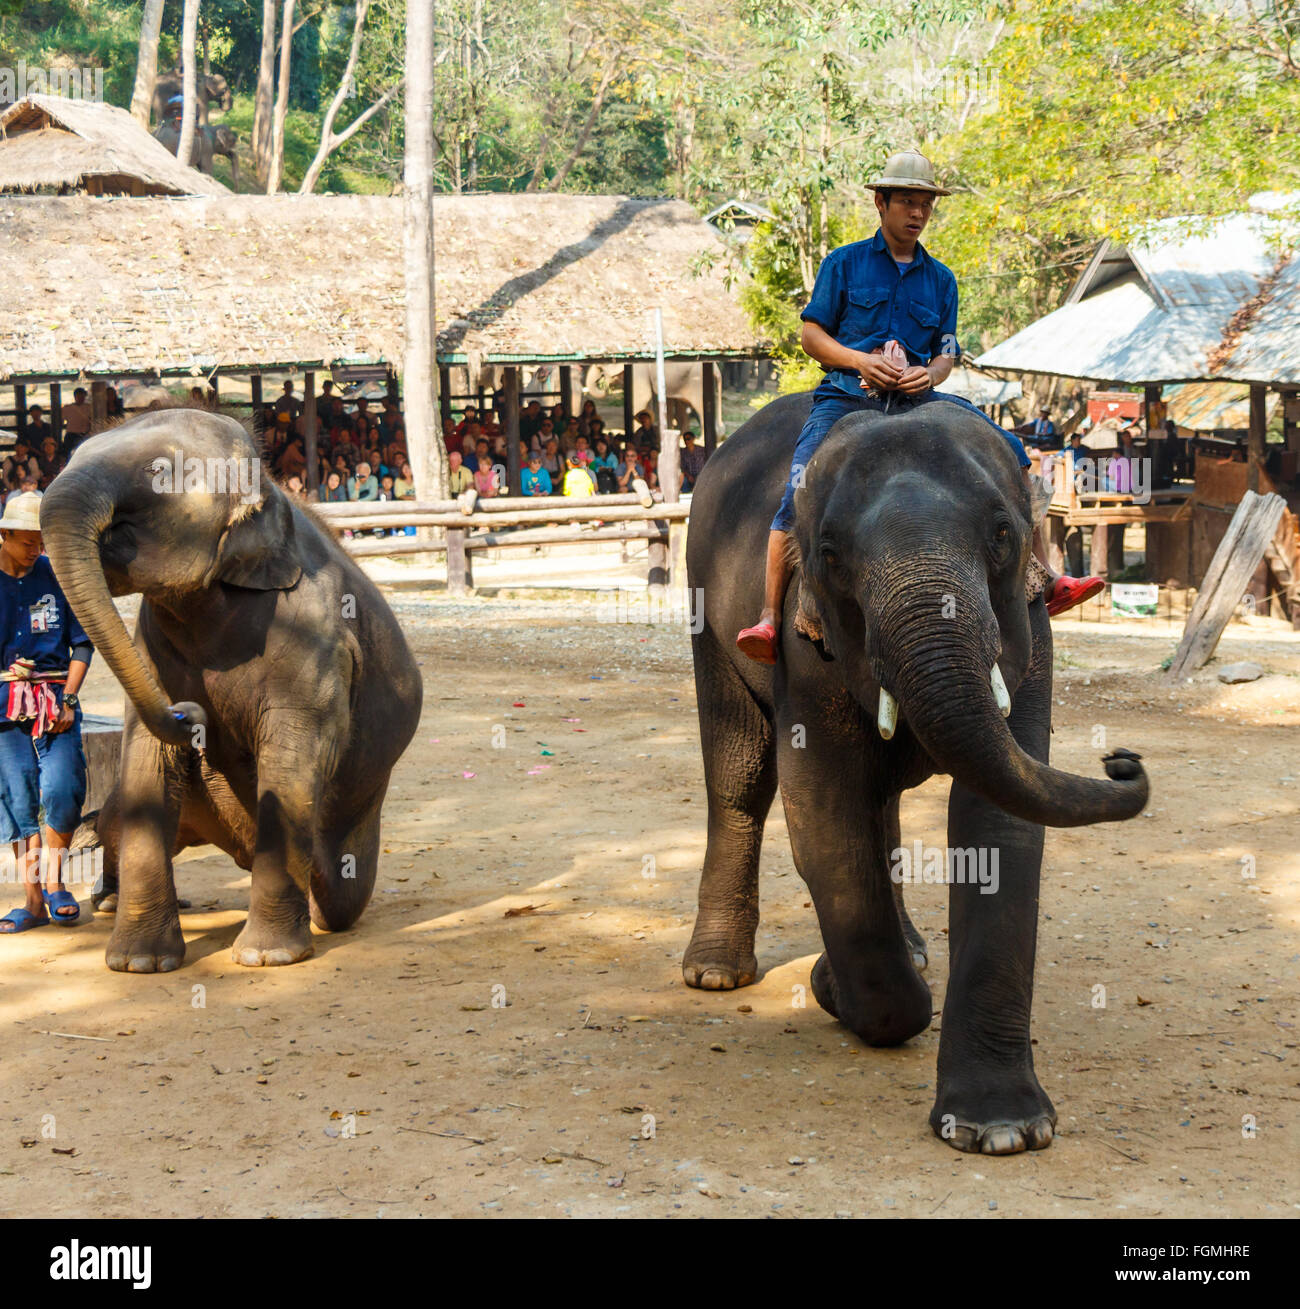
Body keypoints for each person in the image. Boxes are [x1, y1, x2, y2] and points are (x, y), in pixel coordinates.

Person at [736, 149, 1103, 664]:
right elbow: (810, 334)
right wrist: (861, 361)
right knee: (797, 485)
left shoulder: (942, 279)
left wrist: (925, 375)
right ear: (881, 203)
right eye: (907, 202)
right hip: (846, 396)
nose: (917, 213)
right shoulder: (843, 263)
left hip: (919, 401)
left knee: (1012, 452)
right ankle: (771, 617)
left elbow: (946, 353)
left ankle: (1047, 576)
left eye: (925, 204)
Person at [0, 492, 93, 934]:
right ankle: (34, 901)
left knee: (62, 786)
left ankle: (56, 884)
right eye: (28, 541)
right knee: (18, 800)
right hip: (3, 709)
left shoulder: (57, 577)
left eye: (42, 540)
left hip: (57, 702)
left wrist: (70, 700)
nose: (37, 548)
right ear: (5, 535)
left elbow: (82, 643)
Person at [62, 388, 92, 454]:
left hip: (84, 435)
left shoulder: (89, 408)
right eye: (79, 396)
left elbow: (92, 421)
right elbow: (61, 421)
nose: (81, 398)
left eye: (83, 396)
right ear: (75, 396)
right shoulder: (67, 408)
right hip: (71, 436)